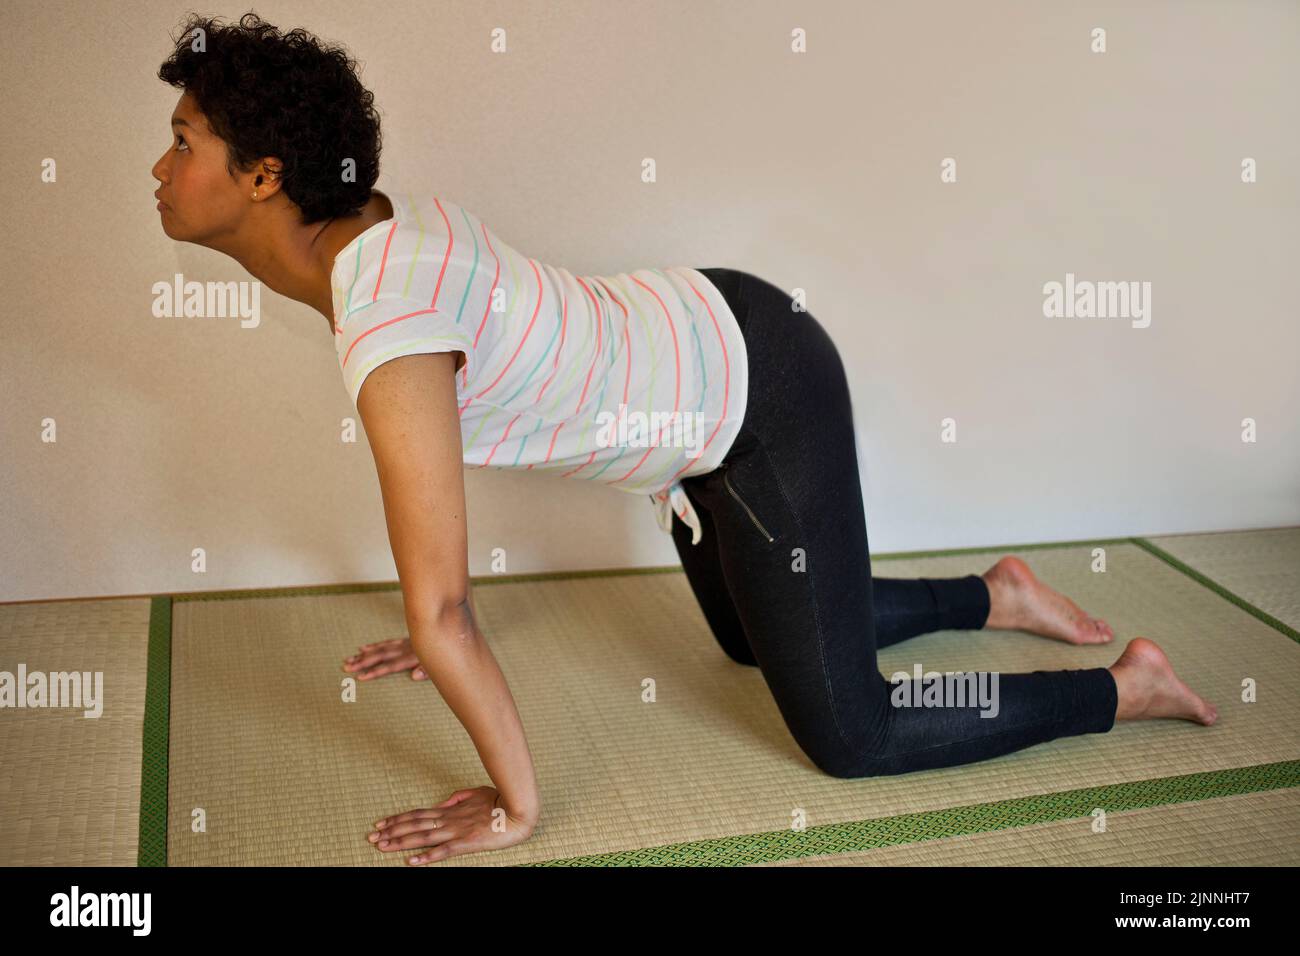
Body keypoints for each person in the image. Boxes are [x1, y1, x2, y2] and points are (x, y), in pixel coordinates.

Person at [152, 13, 1217, 865]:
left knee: (853, 733)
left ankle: (1122, 684)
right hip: (698, 355)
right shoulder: (368, 222)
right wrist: (433, 631)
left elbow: (443, 604)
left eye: (184, 140)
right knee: (751, 640)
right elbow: (438, 595)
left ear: (264, 175)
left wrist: (514, 803)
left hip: (757, 397)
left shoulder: (388, 320)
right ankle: (997, 593)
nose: (161, 167)